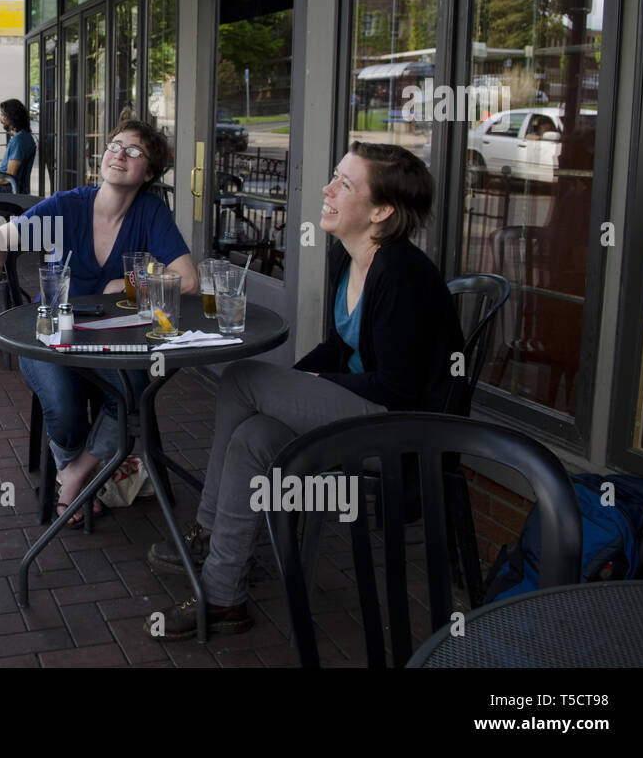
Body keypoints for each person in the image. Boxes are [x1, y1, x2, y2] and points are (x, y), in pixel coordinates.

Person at [145, 141, 464, 641]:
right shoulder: (347, 255)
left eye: (345, 184)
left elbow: (398, 389)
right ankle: (223, 595)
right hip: (364, 409)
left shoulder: (400, 273)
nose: (327, 188)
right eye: (334, 175)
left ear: (381, 211)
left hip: (406, 431)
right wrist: (295, 385)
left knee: (241, 378)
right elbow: (339, 347)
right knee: (254, 434)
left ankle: (206, 528)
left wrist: (304, 386)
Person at [0, 121, 196, 525]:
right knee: (64, 409)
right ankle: (75, 463)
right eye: (115, 146)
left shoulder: (149, 212)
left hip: (110, 340)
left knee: (134, 390)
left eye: (134, 152)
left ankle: (73, 476)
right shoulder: (68, 207)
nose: (119, 154)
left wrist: (128, 282)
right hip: (52, 335)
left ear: (148, 173)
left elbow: (189, 279)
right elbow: (6, 234)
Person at [0, 98, 36, 192]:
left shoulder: (19, 140)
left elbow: (9, 177)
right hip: (8, 188)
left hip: (8, 190)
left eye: (3, 115)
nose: (0, 119)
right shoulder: (24, 136)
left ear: (13, 117)